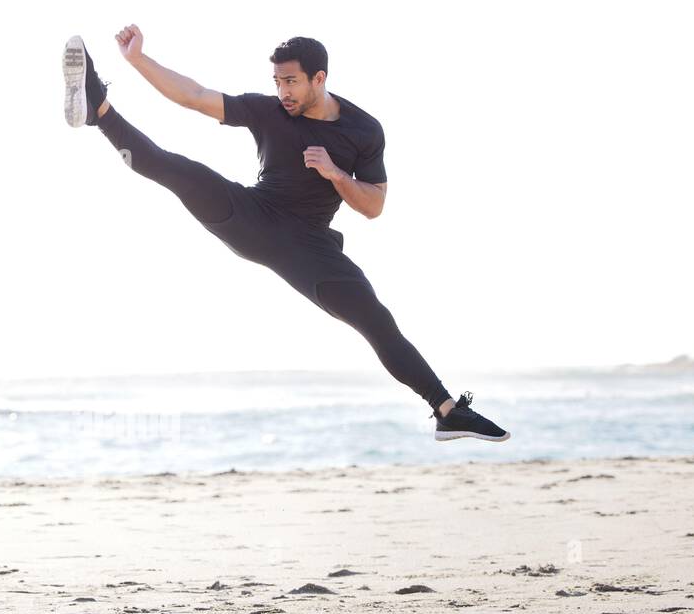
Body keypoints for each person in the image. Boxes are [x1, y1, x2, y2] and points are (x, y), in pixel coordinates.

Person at [63, 28, 510, 442]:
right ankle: (99, 107)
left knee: (375, 319)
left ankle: (447, 412)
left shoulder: (363, 130)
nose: (283, 92)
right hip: (252, 217)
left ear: (319, 78)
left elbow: (374, 206)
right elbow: (195, 96)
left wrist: (336, 174)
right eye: (277, 81)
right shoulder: (268, 110)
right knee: (179, 171)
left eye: (292, 82)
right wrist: (138, 59)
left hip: (309, 247)